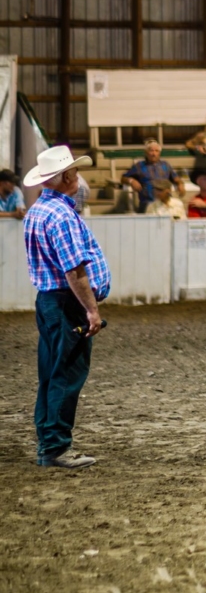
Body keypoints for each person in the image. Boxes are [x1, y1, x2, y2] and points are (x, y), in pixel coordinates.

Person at [22, 145, 110, 469]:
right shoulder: (61, 215)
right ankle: (56, 447)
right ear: (65, 176)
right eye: (73, 171)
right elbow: (74, 271)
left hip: (49, 302)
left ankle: (49, 441)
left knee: (51, 372)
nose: (77, 175)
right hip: (65, 303)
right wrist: (92, 310)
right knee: (67, 373)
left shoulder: (37, 211)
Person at [121, 139, 179, 213]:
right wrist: (131, 181)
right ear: (146, 152)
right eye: (151, 151)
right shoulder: (139, 166)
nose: (154, 154)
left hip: (164, 202)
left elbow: (175, 178)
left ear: (159, 153)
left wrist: (180, 183)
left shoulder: (165, 165)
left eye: (156, 151)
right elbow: (123, 178)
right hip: (146, 202)